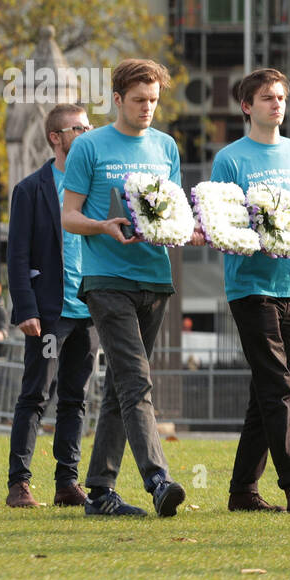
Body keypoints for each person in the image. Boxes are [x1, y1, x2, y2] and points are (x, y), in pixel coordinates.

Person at [62, 59, 198, 517]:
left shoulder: (166, 147)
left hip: (155, 279)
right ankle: (158, 480)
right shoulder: (90, 147)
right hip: (105, 280)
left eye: (154, 101)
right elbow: (68, 215)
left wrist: (192, 229)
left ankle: (99, 492)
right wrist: (102, 225)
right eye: (139, 100)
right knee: (137, 380)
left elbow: (173, 212)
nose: (147, 109)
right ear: (117, 99)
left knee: (124, 385)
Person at [210, 67, 290, 513]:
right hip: (249, 284)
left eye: (280, 97)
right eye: (266, 98)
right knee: (277, 384)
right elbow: (221, 221)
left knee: (269, 388)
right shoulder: (230, 159)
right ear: (247, 106)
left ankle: (242, 491)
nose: (275, 104)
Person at [5, 103, 96, 509]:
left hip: (88, 312)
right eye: (79, 128)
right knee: (36, 395)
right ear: (56, 138)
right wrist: (26, 309)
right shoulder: (30, 189)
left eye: (90, 126)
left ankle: (67, 482)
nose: (88, 132)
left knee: (76, 398)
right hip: (49, 316)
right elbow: (17, 257)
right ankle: (19, 484)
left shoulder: (94, 187)